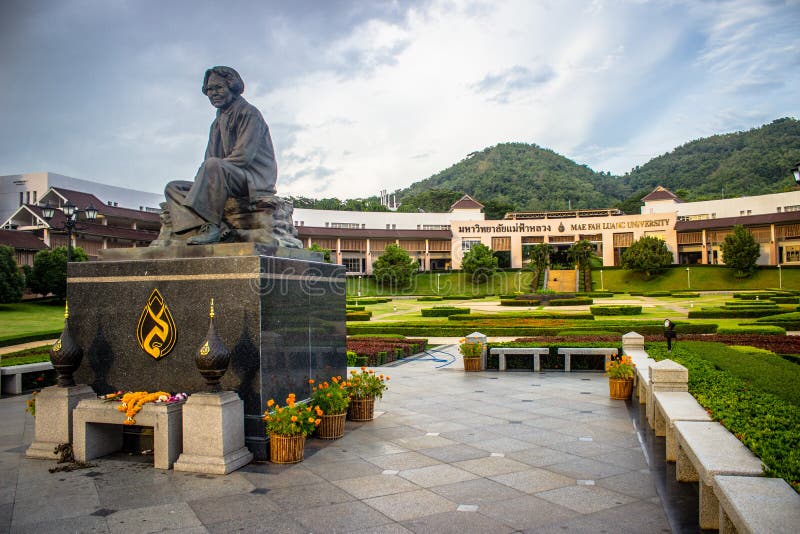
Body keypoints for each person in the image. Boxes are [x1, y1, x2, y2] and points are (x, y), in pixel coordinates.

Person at [159, 66, 277, 245]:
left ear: (233, 86)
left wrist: (210, 171)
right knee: (173, 188)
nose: (213, 93)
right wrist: (202, 180)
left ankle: (212, 226)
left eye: (218, 88)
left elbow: (242, 157)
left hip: (251, 179)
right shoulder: (217, 123)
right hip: (224, 175)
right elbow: (208, 160)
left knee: (213, 166)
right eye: (209, 90)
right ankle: (220, 228)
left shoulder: (249, 113)